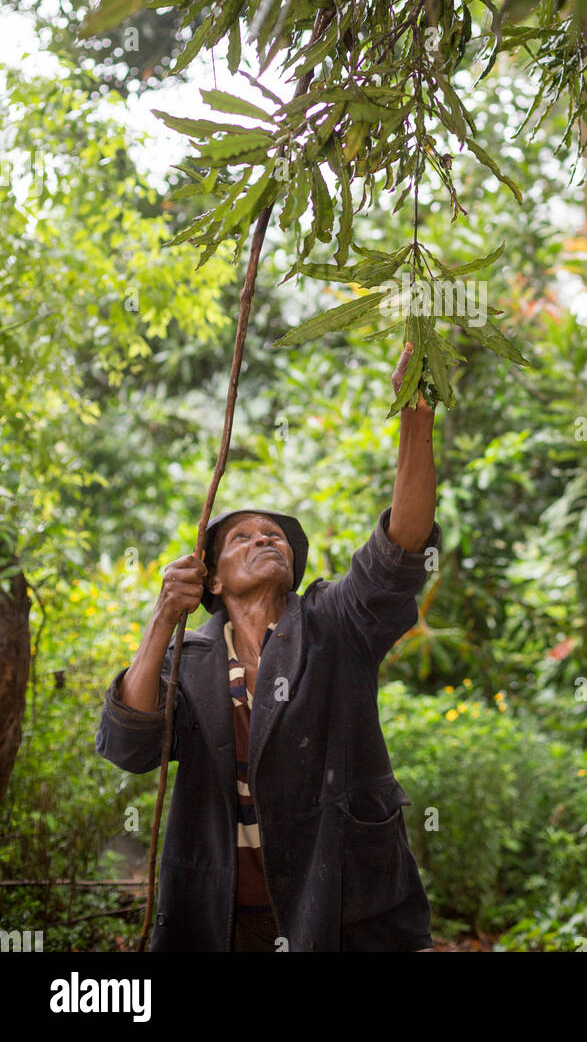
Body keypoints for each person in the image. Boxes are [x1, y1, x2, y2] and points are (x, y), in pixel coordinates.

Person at [96, 342, 440, 952]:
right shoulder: (192, 659)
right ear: (214, 580)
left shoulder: (337, 623)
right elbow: (130, 745)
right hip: (226, 918)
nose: (265, 540)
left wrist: (415, 416)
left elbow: (401, 548)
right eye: (242, 537)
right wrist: (160, 620)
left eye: (275, 535)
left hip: (343, 909)